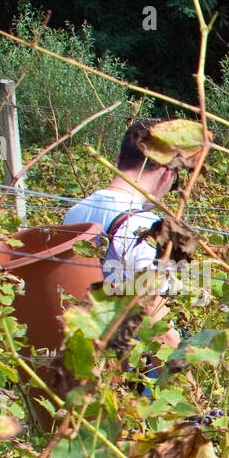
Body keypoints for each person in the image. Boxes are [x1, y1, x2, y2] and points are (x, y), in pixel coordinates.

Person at [64, 118, 183, 351]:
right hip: (127, 372)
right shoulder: (146, 228)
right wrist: (193, 387)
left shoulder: (75, 212)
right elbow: (154, 325)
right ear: (167, 172)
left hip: (83, 356)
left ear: (118, 161)